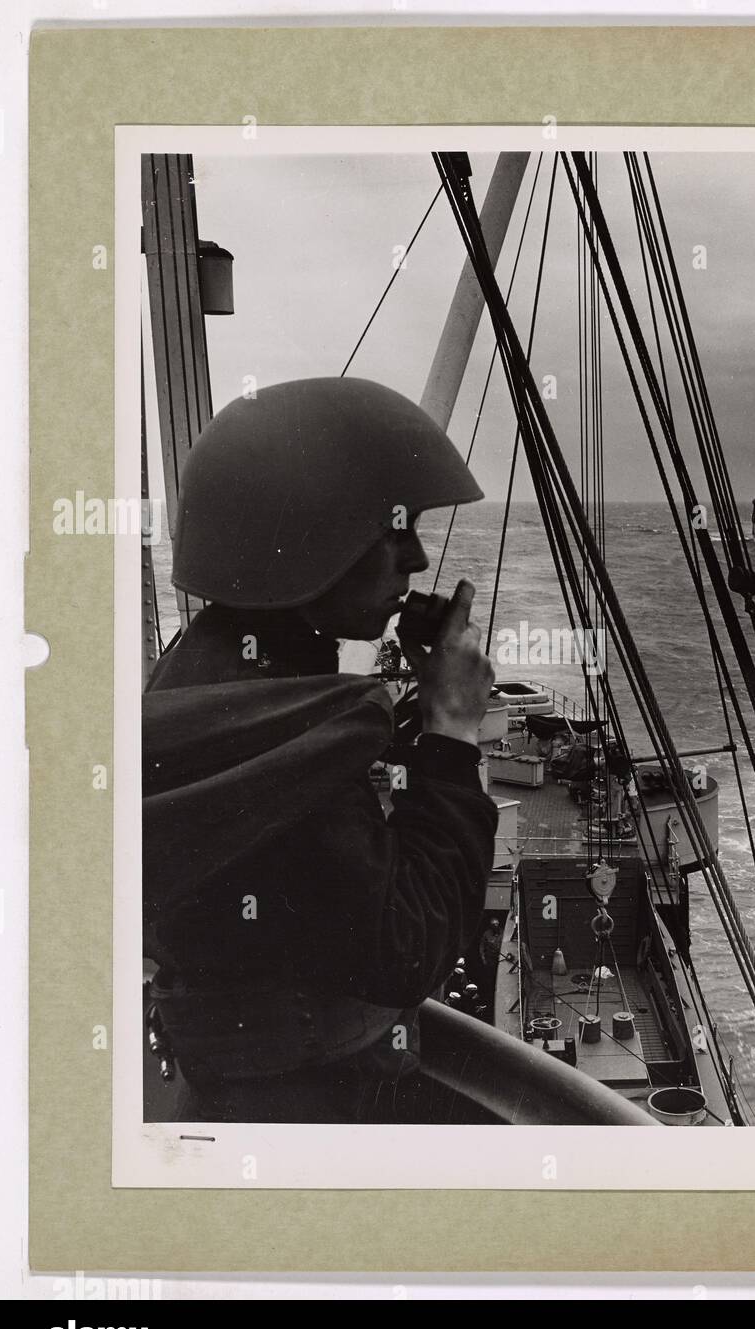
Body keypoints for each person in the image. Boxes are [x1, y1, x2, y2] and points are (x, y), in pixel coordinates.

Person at [143, 377, 498, 1123]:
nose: (417, 557)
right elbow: (408, 946)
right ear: (306, 538)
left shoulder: (213, 677)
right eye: (394, 531)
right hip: (313, 1105)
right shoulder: (283, 728)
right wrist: (453, 733)